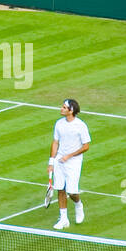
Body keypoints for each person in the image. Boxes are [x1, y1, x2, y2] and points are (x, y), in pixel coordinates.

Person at [49, 97, 90, 230]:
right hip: (60, 160)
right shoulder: (59, 123)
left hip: (74, 161)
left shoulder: (81, 125)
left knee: (72, 192)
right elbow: (55, 142)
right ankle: (64, 219)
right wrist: (51, 161)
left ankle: (78, 205)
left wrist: (70, 156)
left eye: (64, 107)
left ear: (71, 110)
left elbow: (86, 146)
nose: (61, 109)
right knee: (60, 189)